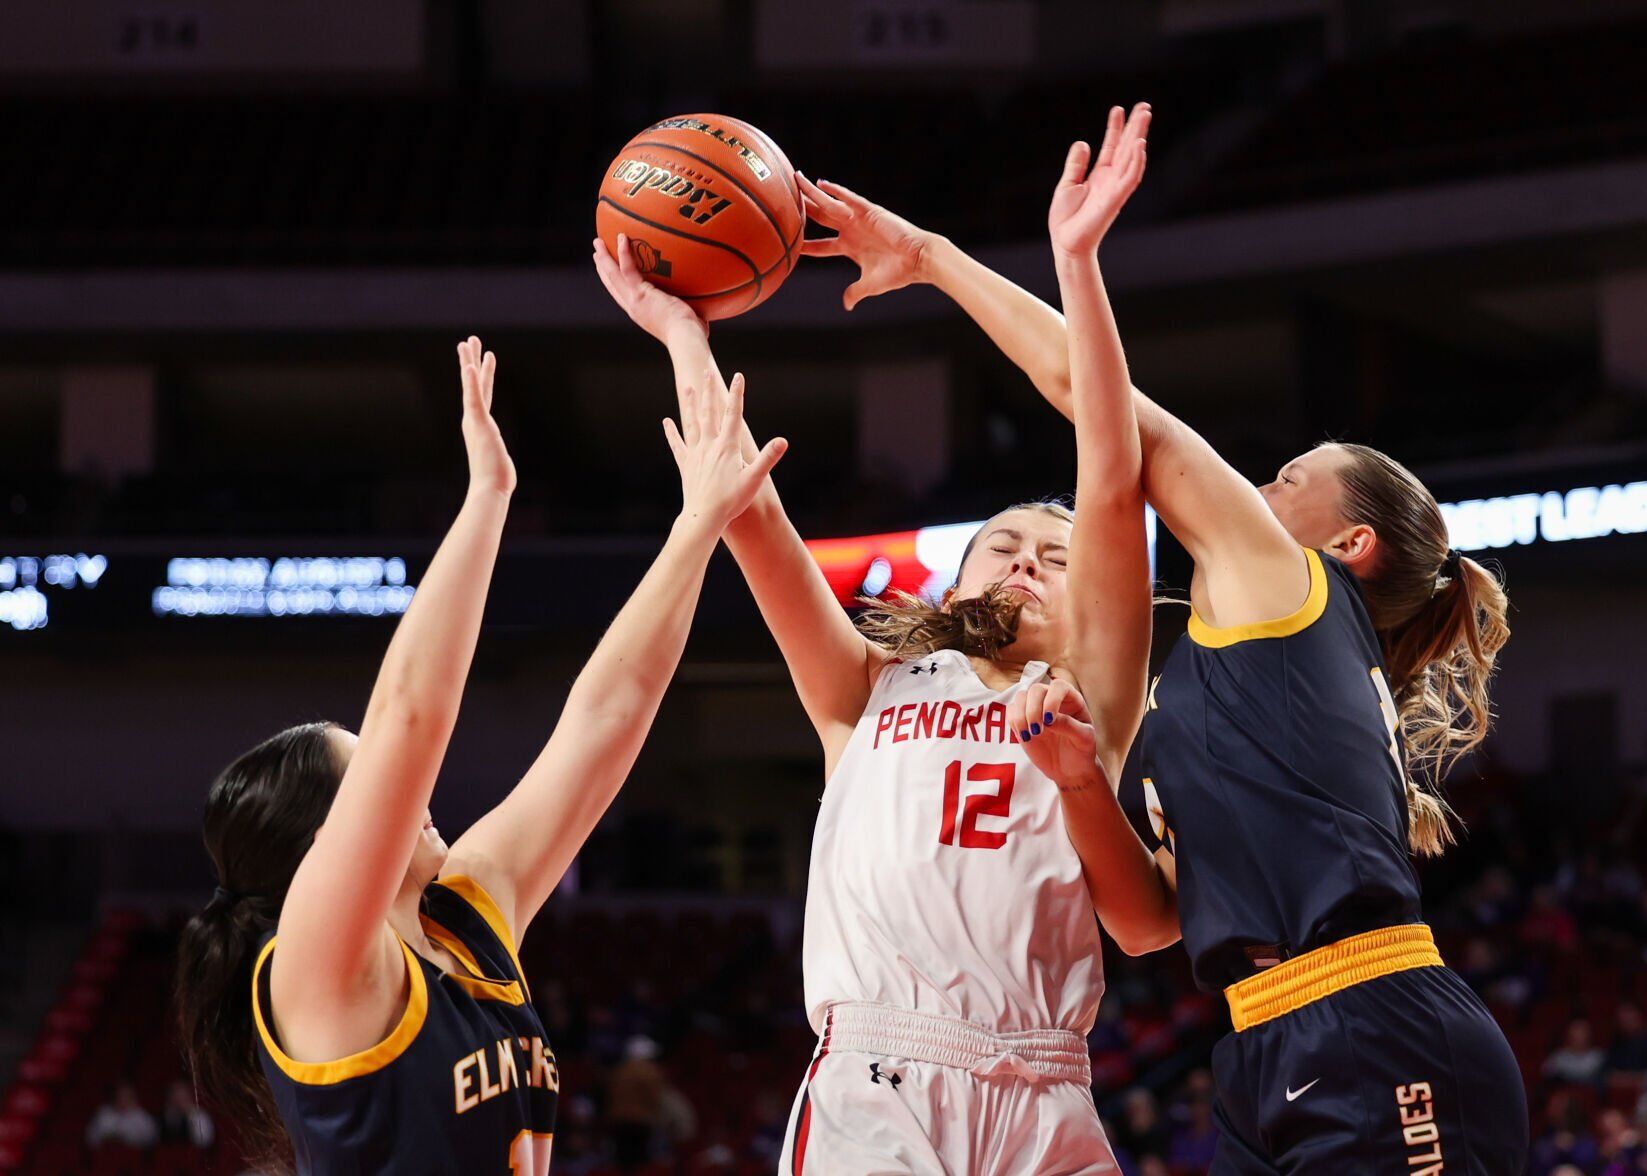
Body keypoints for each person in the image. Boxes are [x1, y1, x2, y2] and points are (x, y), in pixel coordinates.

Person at [797, 103, 1527, 1170]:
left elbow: (1107, 422)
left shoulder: (1289, 585)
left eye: (1287, 479)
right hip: (1264, 1044)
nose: (1257, 489)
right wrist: (1079, 785)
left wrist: (946, 260)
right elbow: (1150, 921)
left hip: (1371, 1025)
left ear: (1350, 543)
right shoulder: (1228, 680)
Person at [594, 103, 1161, 1175]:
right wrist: (683, 337)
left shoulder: (1091, 687)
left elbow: (1113, 462)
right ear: (954, 580)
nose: (1025, 561)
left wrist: (1069, 267)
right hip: (879, 1081)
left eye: (1054, 554)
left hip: (1048, 1087)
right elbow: (747, 512)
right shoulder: (867, 686)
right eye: (1001, 546)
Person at [173, 337, 786, 1173]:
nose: (413, 792)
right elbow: (408, 717)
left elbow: (607, 714)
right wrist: (486, 500)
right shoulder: (311, 966)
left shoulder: (466, 920)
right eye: (368, 775)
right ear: (325, 845)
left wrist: (696, 528)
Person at [85, 1081, 158, 1151]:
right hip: (106, 1155)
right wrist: (106, 1139)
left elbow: (151, 1139)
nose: (122, 1099)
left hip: (132, 1156)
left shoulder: (141, 1116)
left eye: (126, 1096)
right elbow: (90, 1138)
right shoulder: (103, 1113)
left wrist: (127, 1139)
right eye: (120, 1095)